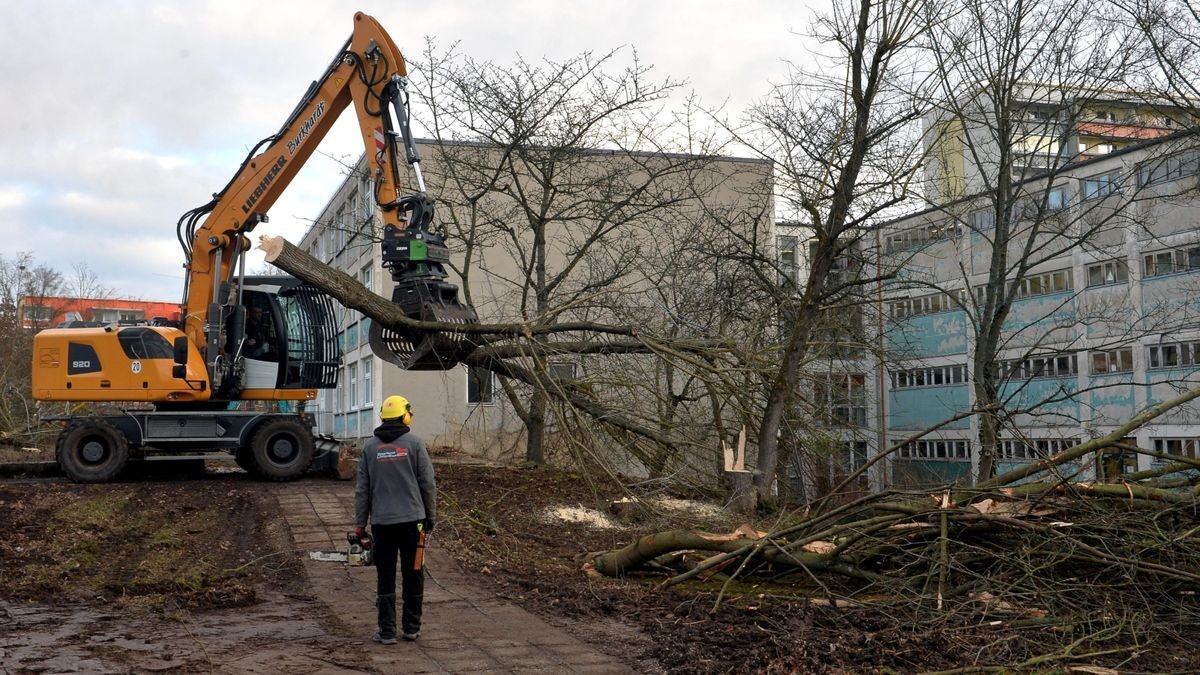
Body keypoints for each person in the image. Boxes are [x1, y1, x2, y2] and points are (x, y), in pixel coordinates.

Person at [355, 395, 436, 644]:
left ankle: (387, 631)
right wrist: (430, 517)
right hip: (415, 523)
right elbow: (428, 484)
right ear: (405, 415)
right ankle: (411, 628)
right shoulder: (415, 444)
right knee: (414, 573)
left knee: (385, 575)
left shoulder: (369, 448)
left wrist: (360, 524)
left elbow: (362, 490)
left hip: (382, 524)